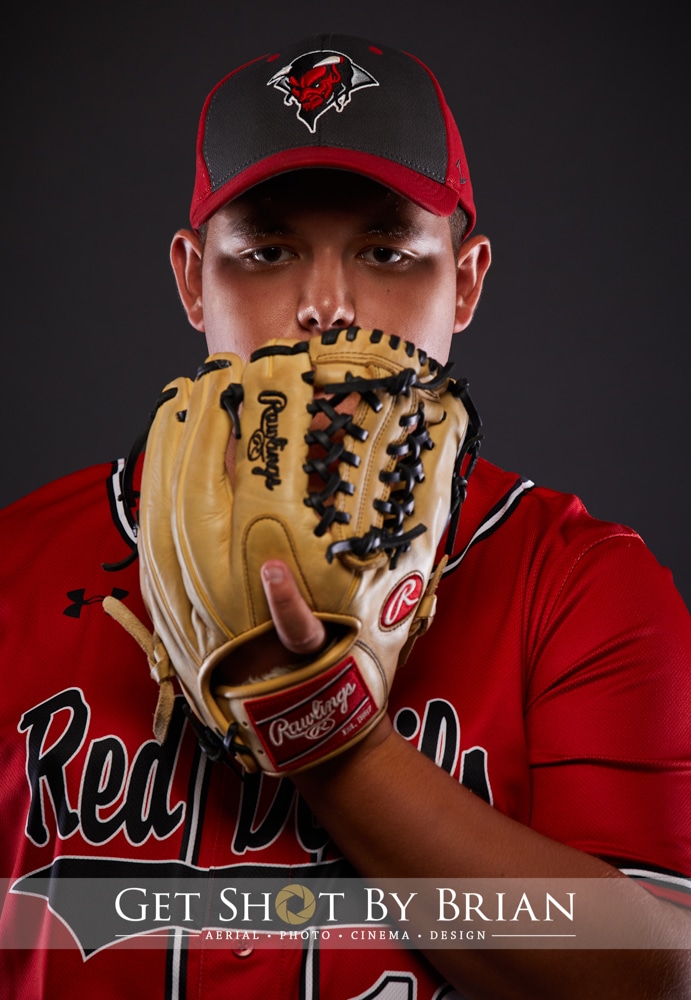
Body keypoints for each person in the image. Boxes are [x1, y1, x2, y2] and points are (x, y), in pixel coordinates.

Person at [1, 32, 689, 1000]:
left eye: (386, 251)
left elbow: (652, 975)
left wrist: (336, 742)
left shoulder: (578, 585)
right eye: (268, 250)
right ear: (193, 277)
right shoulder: (13, 570)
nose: (326, 306)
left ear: (469, 279)